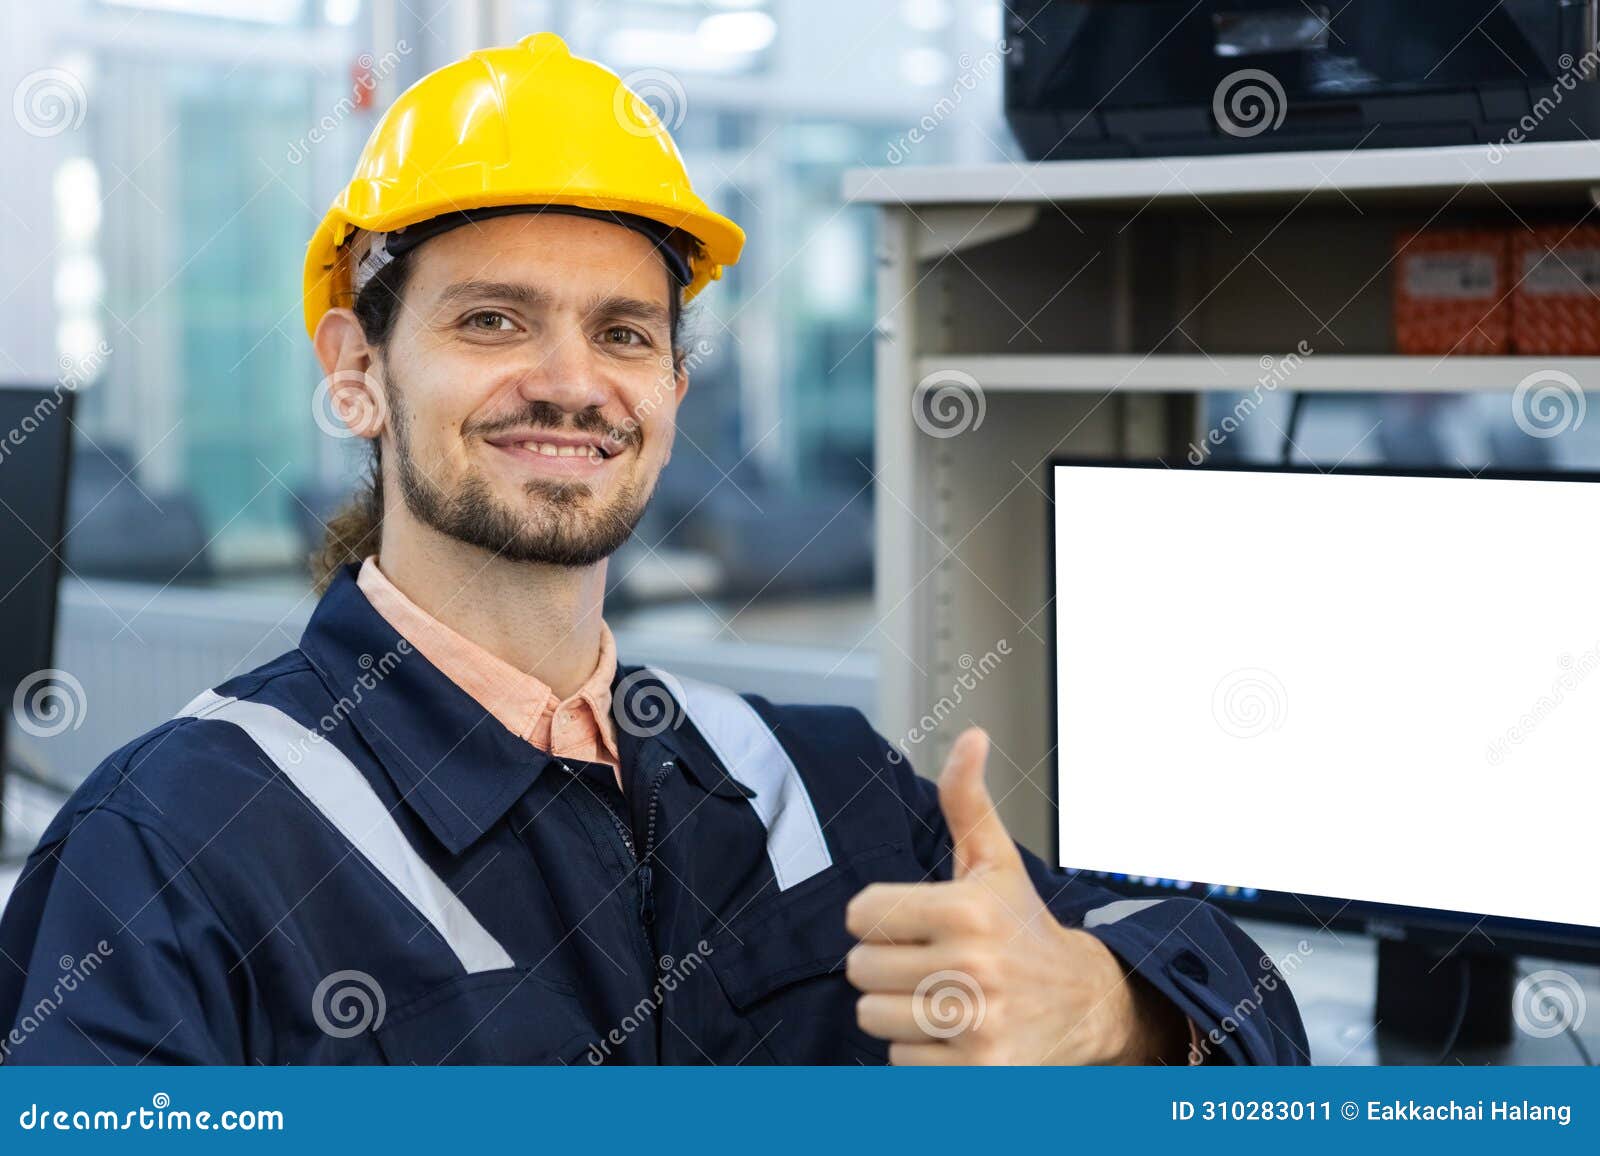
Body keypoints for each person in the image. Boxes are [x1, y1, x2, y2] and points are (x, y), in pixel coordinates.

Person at [0, 33, 1305, 1066]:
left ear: (675, 390)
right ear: (356, 371)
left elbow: (1241, 995)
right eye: (496, 321)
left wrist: (1113, 1017)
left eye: (625, 334)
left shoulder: (823, 792)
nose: (572, 384)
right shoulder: (177, 850)